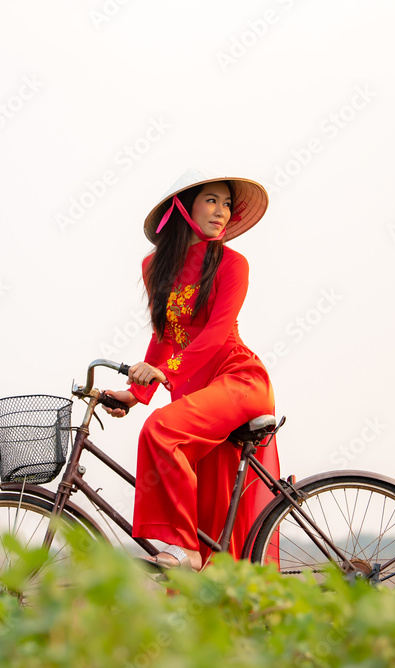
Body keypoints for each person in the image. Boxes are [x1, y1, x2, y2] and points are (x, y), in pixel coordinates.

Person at [101, 168, 280, 571]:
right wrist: (136, 394)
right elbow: (165, 336)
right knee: (210, 514)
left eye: (227, 203)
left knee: (161, 431)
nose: (222, 211)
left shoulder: (233, 264)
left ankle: (180, 547)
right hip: (197, 389)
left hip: (238, 380)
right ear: (182, 208)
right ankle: (224, 604)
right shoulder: (154, 268)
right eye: (212, 200)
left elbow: (217, 333)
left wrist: (168, 372)